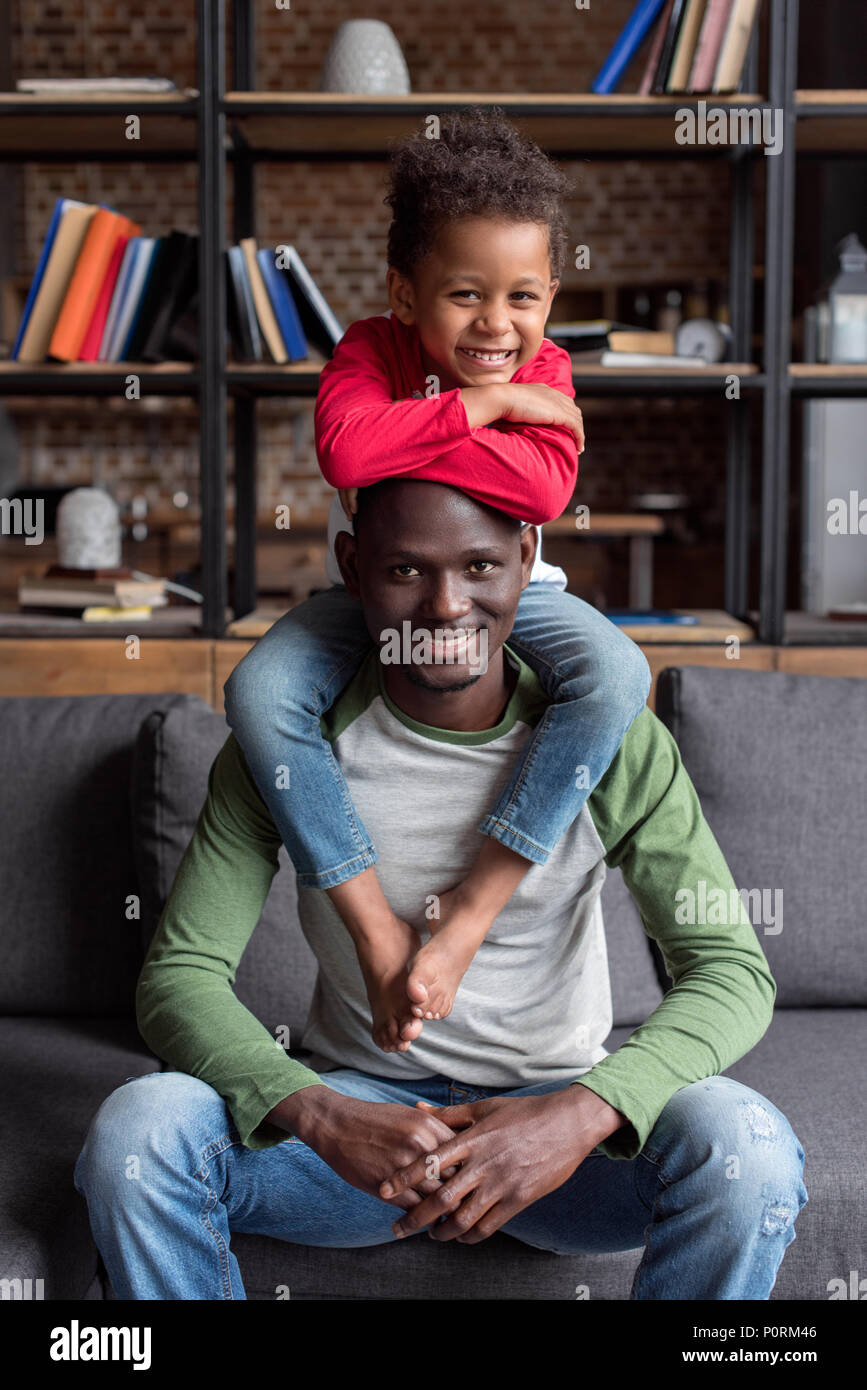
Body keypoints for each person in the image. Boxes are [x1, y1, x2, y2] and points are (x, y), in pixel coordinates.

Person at [74, 478, 807, 1301]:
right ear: (351, 568)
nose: (446, 606)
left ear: (528, 560)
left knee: (747, 1144)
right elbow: (179, 978)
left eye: (481, 565)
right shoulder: (289, 749)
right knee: (140, 1127)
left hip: (556, 1125)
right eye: (404, 572)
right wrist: (320, 1114)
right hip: (356, 1131)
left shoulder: (612, 742)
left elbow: (729, 970)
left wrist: (582, 1113)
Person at [224, 108, 651, 1053]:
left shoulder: (552, 365)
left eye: (524, 297)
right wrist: (490, 406)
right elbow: (343, 452)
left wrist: (407, 452)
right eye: (465, 295)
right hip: (381, 587)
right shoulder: (372, 352)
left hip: (523, 589)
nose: (498, 326)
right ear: (405, 294)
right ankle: (375, 927)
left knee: (620, 677)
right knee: (257, 690)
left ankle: (474, 903)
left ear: (548, 296)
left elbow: (542, 483)